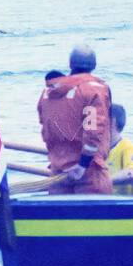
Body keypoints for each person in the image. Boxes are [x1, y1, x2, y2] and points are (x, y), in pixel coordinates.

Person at [38, 44, 113, 195]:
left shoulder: (48, 93)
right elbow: (93, 130)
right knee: (96, 216)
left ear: (70, 64)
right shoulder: (93, 90)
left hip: (58, 170)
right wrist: (83, 164)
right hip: (88, 170)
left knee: (60, 216)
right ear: (94, 65)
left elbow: (45, 126)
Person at [106, 104, 133, 195]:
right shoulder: (95, 148)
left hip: (123, 204)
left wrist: (104, 181)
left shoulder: (129, 148)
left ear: (112, 122)